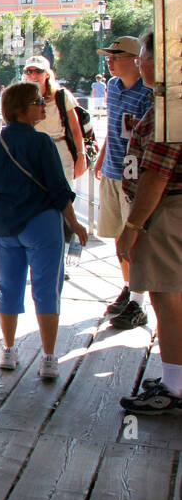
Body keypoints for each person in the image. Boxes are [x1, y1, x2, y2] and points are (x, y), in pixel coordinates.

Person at [0, 83, 88, 377]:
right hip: (42, 222)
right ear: (21, 109)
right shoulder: (42, 142)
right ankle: (49, 357)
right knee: (47, 289)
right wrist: (75, 223)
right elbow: (58, 188)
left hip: (5, 225)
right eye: (38, 102)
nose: (43, 105)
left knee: (8, 288)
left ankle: (8, 349)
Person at [118, 30, 182, 415]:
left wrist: (133, 227)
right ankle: (175, 376)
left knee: (166, 296)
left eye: (144, 55)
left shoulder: (168, 109)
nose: (141, 61)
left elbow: (157, 174)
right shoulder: (166, 104)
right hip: (167, 210)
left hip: (166, 212)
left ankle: (174, 388)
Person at [92, 36, 151, 331]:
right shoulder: (113, 88)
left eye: (116, 56)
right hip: (113, 171)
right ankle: (129, 287)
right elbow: (114, 127)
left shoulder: (147, 95)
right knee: (118, 237)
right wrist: (102, 157)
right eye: (109, 57)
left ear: (135, 60)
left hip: (135, 177)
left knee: (135, 239)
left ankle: (139, 301)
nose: (110, 61)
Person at [21, 54, 86, 186]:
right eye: (29, 71)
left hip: (59, 150)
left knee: (64, 197)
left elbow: (75, 127)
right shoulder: (21, 97)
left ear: (47, 74)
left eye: (38, 71)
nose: (33, 75)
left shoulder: (61, 96)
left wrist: (81, 155)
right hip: (33, 151)